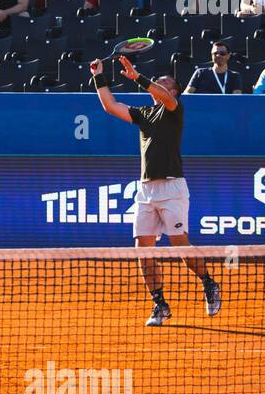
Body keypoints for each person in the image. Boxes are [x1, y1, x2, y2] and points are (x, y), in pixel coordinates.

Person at [89, 55, 220, 326]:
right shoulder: (144, 113)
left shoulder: (175, 108)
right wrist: (98, 76)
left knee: (179, 245)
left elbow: (163, 96)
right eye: (157, 83)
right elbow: (111, 106)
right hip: (146, 190)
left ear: (173, 92)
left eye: (164, 84)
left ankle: (209, 283)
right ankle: (159, 304)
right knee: (142, 249)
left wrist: (137, 77)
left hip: (172, 188)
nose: (158, 86)